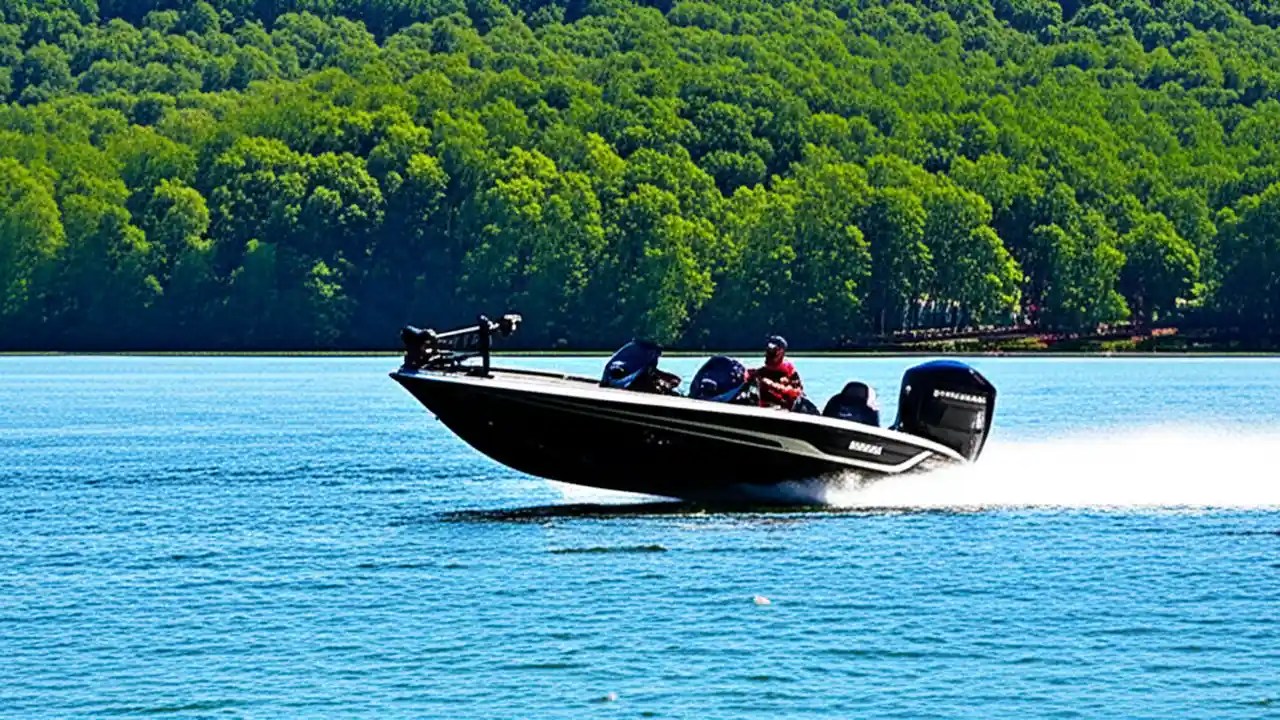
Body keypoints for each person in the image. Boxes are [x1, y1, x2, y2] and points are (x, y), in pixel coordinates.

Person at [748, 335, 804, 410]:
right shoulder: (759, 373)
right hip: (763, 411)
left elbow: (797, 393)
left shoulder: (789, 371)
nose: (768, 355)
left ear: (781, 353)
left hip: (783, 412)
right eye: (768, 351)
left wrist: (772, 385)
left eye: (772, 352)